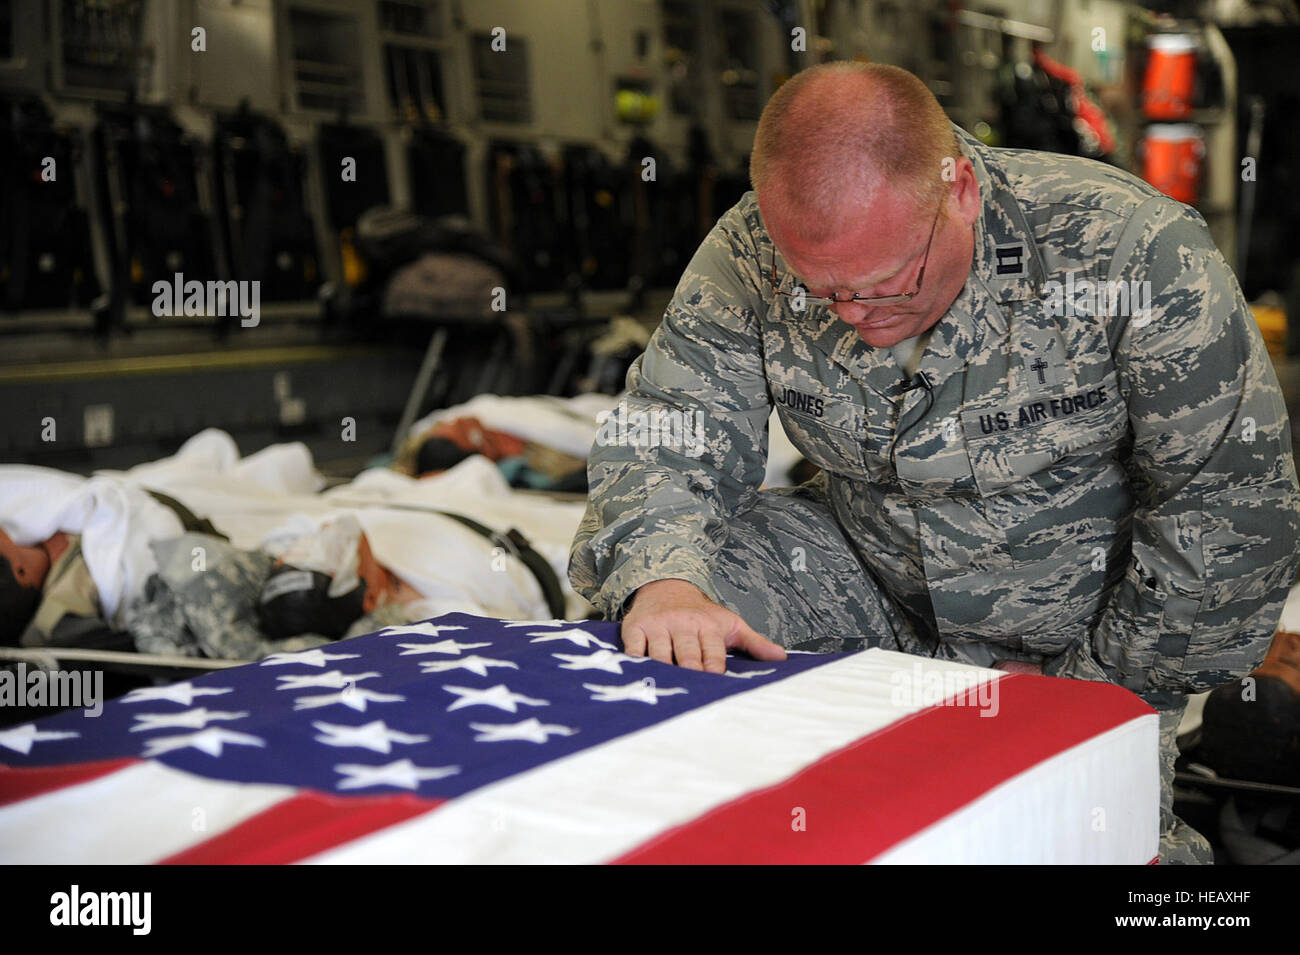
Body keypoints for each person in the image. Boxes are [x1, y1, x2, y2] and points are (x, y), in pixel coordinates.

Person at [568, 61, 1300, 864]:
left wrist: (1093, 692)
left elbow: (1231, 508)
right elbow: (671, 427)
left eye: (888, 283)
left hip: (1077, 639)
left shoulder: (1126, 250)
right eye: (824, 292)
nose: (856, 315)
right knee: (658, 632)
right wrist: (664, 580)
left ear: (960, 193)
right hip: (866, 587)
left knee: (1070, 844)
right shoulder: (750, 251)